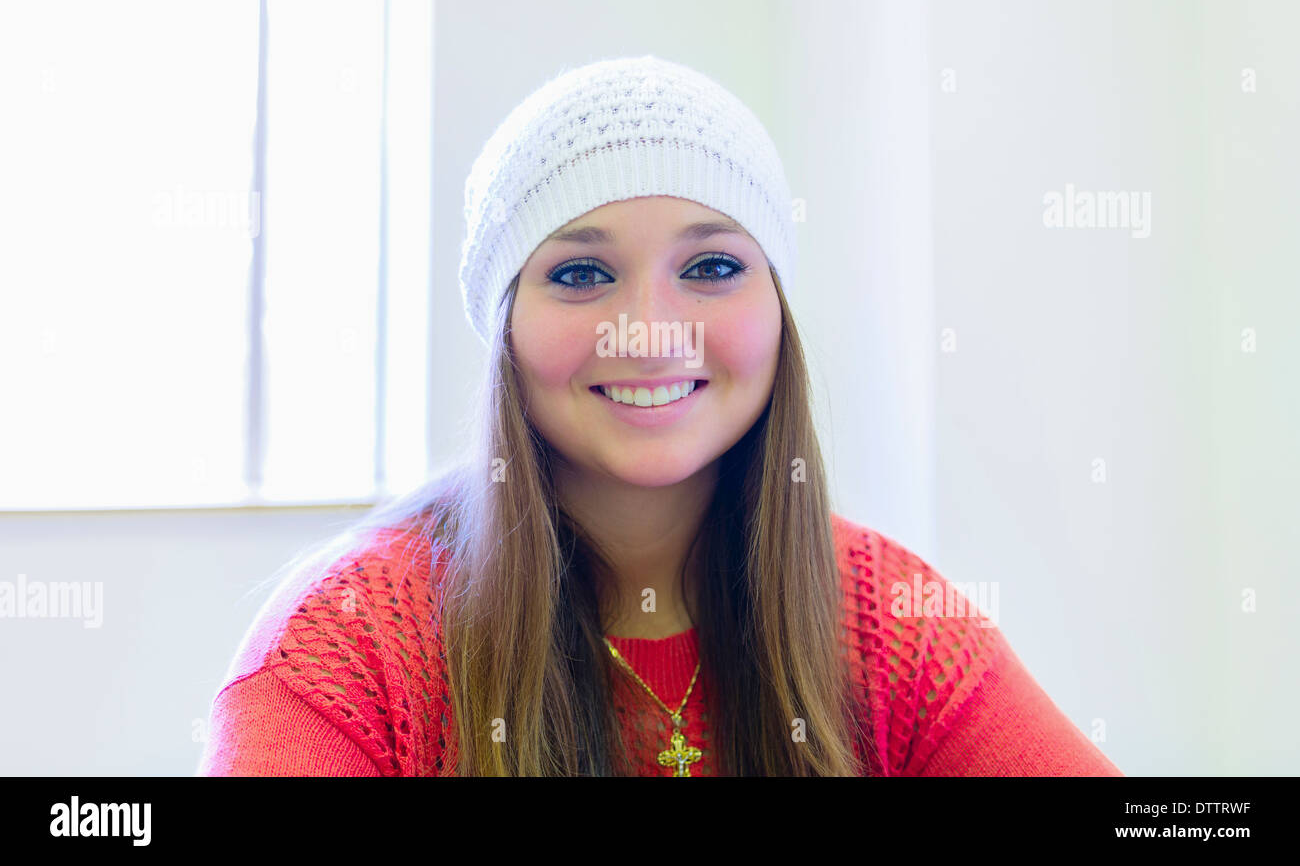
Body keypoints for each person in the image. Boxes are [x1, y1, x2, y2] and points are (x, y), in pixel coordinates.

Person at [198, 54, 1122, 777]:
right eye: (581, 274)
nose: (649, 332)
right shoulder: (348, 647)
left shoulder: (890, 621)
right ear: (505, 328)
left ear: (776, 310)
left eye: (712, 268)